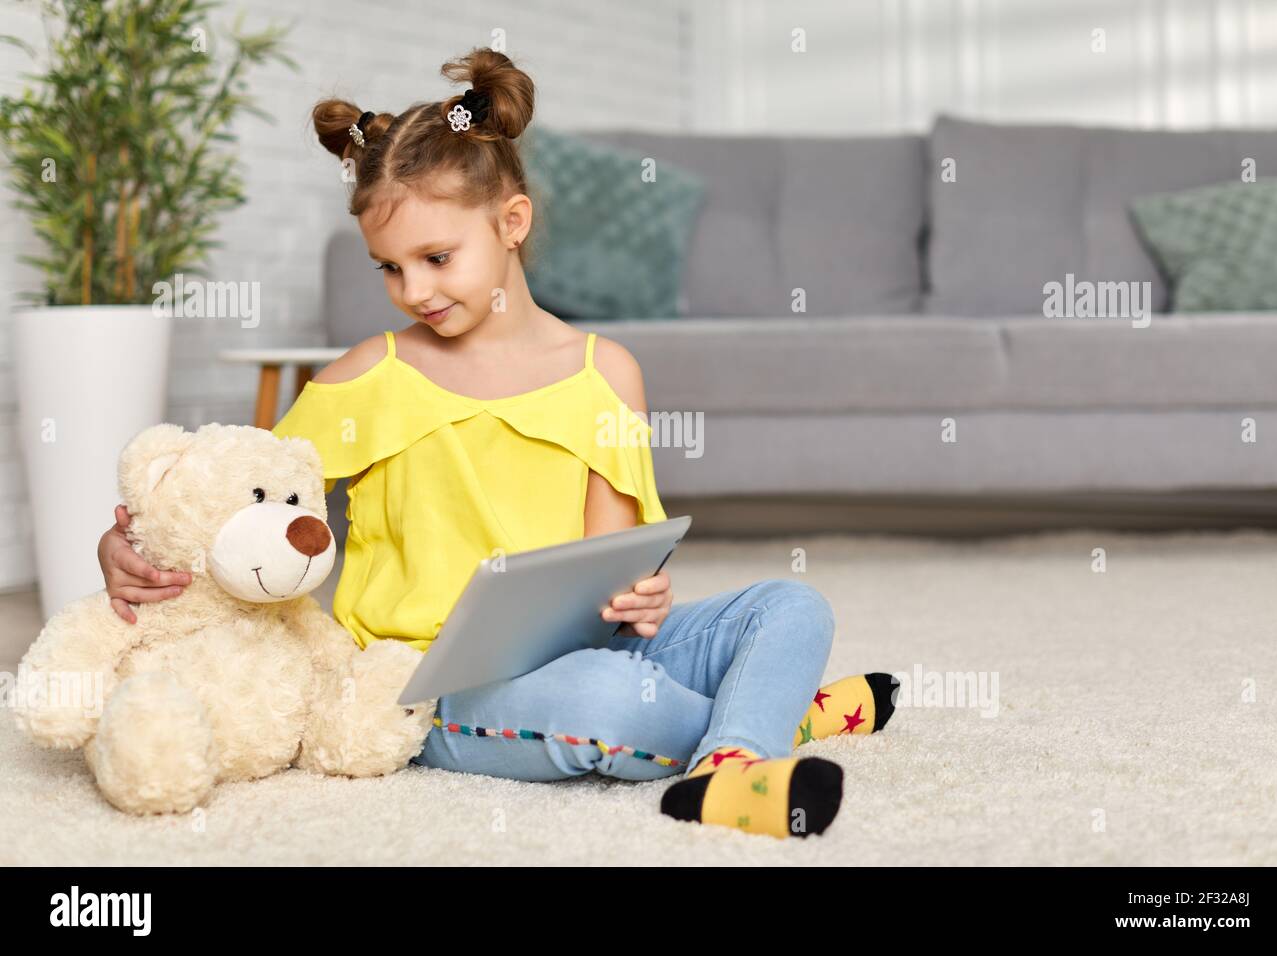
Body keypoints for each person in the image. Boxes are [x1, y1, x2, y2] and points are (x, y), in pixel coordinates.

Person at [96, 47, 896, 840]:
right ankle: (763, 730)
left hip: (592, 647)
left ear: (512, 223)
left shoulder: (604, 374)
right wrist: (120, 541)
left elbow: (611, 566)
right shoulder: (368, 375)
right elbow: (240, 499)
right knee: (604, 703)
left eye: (437, 258)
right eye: (391, 268)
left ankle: (733, 757)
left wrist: (640, 598)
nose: (415, 291)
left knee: (790, 606)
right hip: (426, 685)